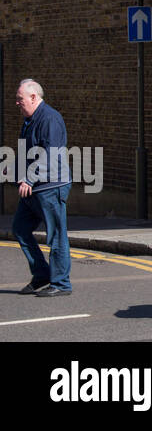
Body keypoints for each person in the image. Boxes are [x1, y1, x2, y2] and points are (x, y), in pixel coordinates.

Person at [12, 80, 72, 297]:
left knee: (56, 236)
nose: (17, 103)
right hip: (34, 189)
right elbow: (26, 151)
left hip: (51, 186)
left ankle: (61, 283)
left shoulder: (49, 118)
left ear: (34, 97)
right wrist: (19, 175)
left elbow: (50, 153)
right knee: (20, 228)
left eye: (20, 99)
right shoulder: (30, 120)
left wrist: (29, 179)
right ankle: (42, 275)